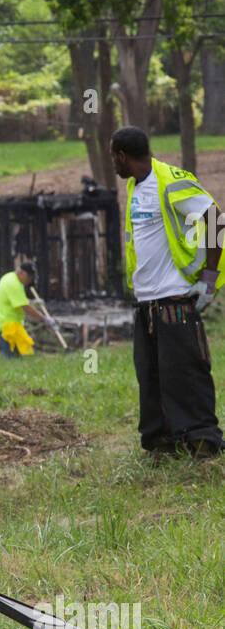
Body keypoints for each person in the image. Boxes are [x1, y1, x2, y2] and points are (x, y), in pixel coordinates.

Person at [111, 126, 224, 456]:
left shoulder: (171, 180)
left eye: (113, 158)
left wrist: (209, 278)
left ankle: (203, 443)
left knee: (186, 373)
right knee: (151, 376)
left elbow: (216, 221)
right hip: (147, 302)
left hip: (175, 299)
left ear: (121, 156)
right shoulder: (136, 185)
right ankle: (162, 444)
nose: (113, 165)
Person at [0, 261, 54, 357]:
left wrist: (33, 302)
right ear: (21, 273)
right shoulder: (13, 284)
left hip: (12, 325)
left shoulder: (11, 279)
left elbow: (20, 300)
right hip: (8, 327)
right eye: (29, 277)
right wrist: (43, 318)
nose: (30, 280)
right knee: (13, 360)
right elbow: (25, 307)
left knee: (22, 358)